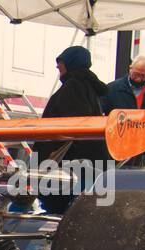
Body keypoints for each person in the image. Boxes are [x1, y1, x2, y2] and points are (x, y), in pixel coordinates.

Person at [32, 46, 110, 213]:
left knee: (61, 210)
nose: (58, 67)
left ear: (72, 63)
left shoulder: (73, 88)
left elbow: (71, 127)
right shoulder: (87, 87)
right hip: (87, 164)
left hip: (69, 167)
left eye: (61, 62)